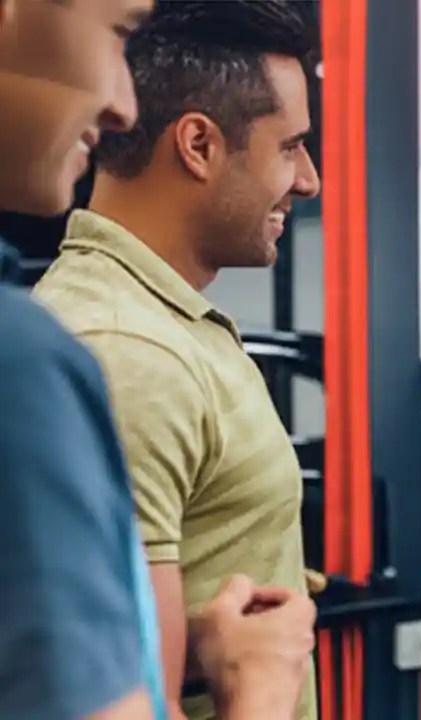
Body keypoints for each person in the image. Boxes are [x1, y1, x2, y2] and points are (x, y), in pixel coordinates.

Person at [0, 1, 317, 719]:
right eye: (291, 146)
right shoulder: (124, 350)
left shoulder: (167, 325)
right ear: (199, 145)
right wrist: (264, 681)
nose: (308, 180)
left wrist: (208, 647)